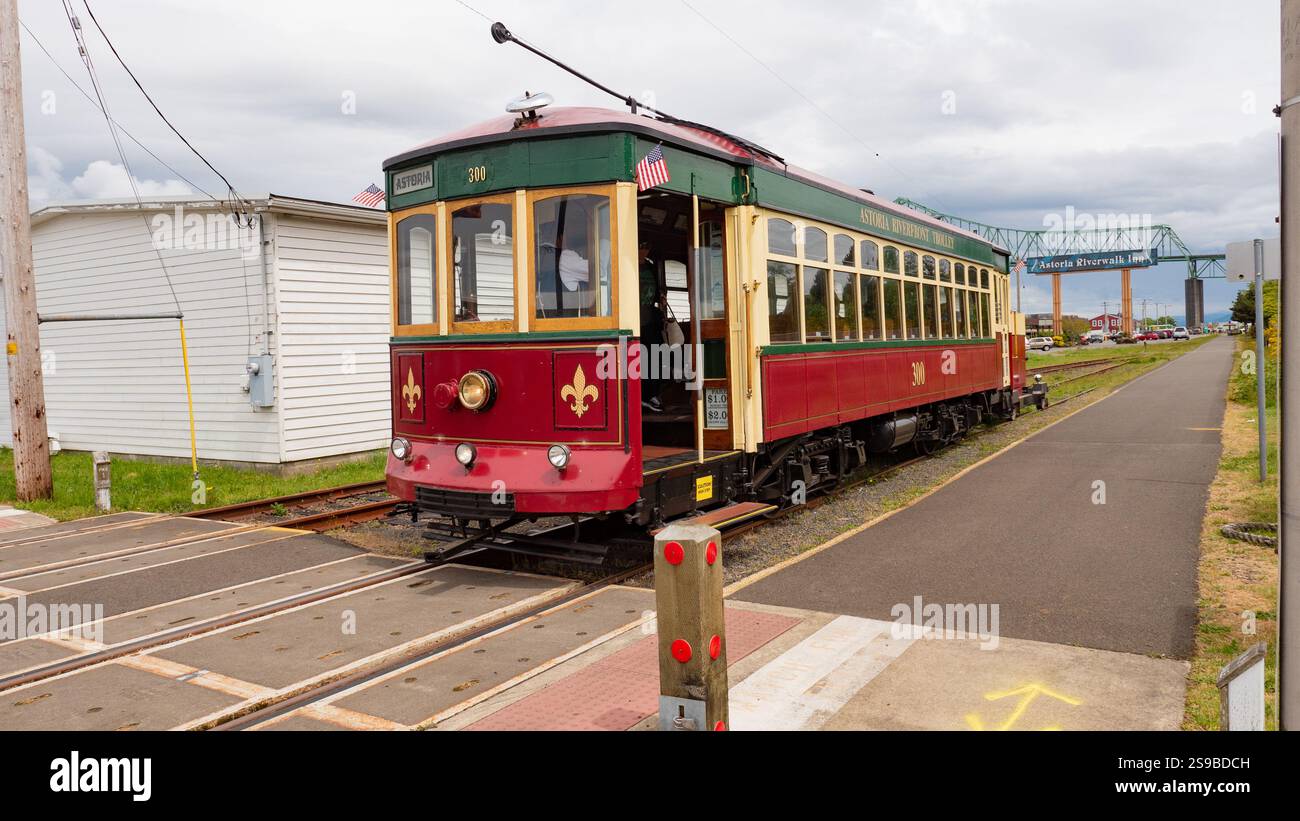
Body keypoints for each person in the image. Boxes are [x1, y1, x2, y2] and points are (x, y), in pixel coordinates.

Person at [638, 240, 665, 412]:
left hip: (650, 317)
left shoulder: (651, 267)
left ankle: (652, 394)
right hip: (634, 318)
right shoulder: (629, 266)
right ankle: (642, 395)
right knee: (639, 357)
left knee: (656, 355)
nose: (644, 250)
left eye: (647, 246)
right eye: (641, 246)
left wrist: (661, 299)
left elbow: (657, 292)